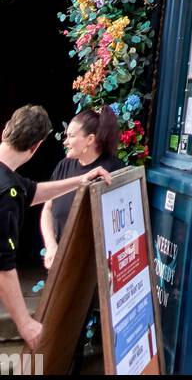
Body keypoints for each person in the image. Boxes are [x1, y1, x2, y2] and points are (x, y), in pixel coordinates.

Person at [0, 104, 114, 352]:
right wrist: (25, 323)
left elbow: (34, 192)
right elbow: (3, 269)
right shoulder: (6, 193)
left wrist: (82, 179)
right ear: (36, 147)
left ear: (5, 131)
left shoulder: (12, 183)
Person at [41, 107, 124, 268]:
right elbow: (47, 209)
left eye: (71, 136)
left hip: (94, 271)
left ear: (90, 139)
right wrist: (51, 245)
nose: (65, 141)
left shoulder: (114, 170)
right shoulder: (63, 166)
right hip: (61, 263)